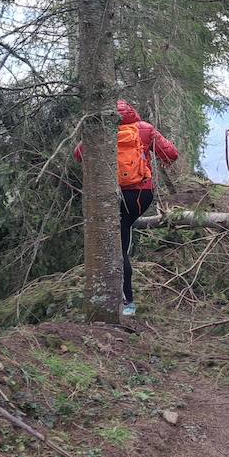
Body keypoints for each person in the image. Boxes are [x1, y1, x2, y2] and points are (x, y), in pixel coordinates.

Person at [74, 100, 180, 316]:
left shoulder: (98, 130)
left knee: (118, 244)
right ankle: (126, 301)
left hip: (110, 193)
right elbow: (171, 154)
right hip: (140, 194)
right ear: (132, 111)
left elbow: (78, 155)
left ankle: (121, 299)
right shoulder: (145, 129)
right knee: (121, 242)